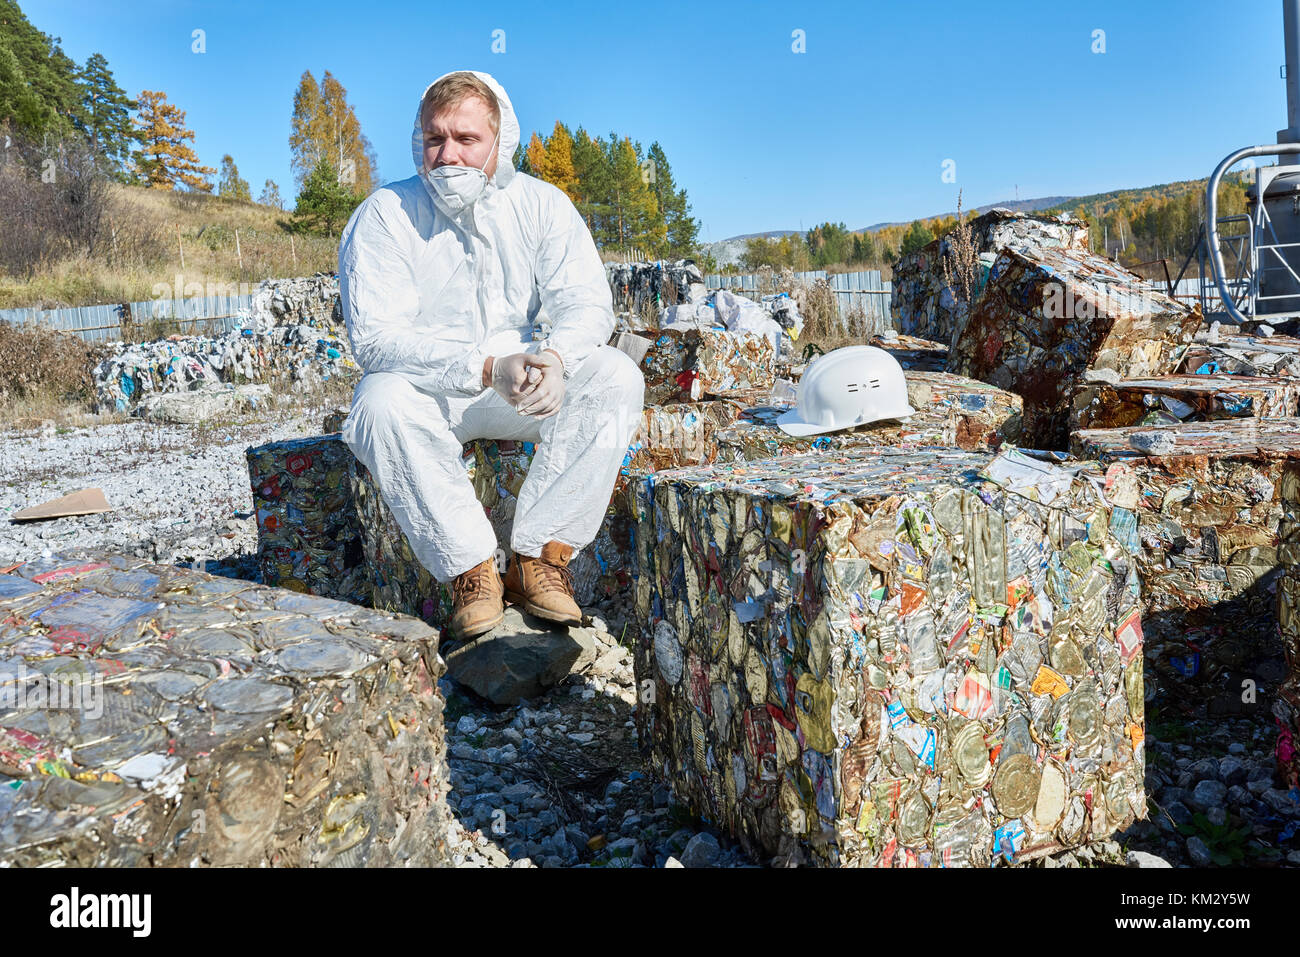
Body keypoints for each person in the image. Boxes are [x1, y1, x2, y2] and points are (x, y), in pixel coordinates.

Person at [338, 69, 644, 641]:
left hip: (524, 387)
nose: (448, 154)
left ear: (497, 142)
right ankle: (472, 569)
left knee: (616, 377)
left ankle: (538, 560)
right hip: (432, 395)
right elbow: (376, 338)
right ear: (418, 141)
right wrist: (481, 368)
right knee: (377, 403)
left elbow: (587, 303)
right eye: (435, 139)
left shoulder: (542, 205)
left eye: (466, 139)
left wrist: (555, 357)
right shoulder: (385, 214)